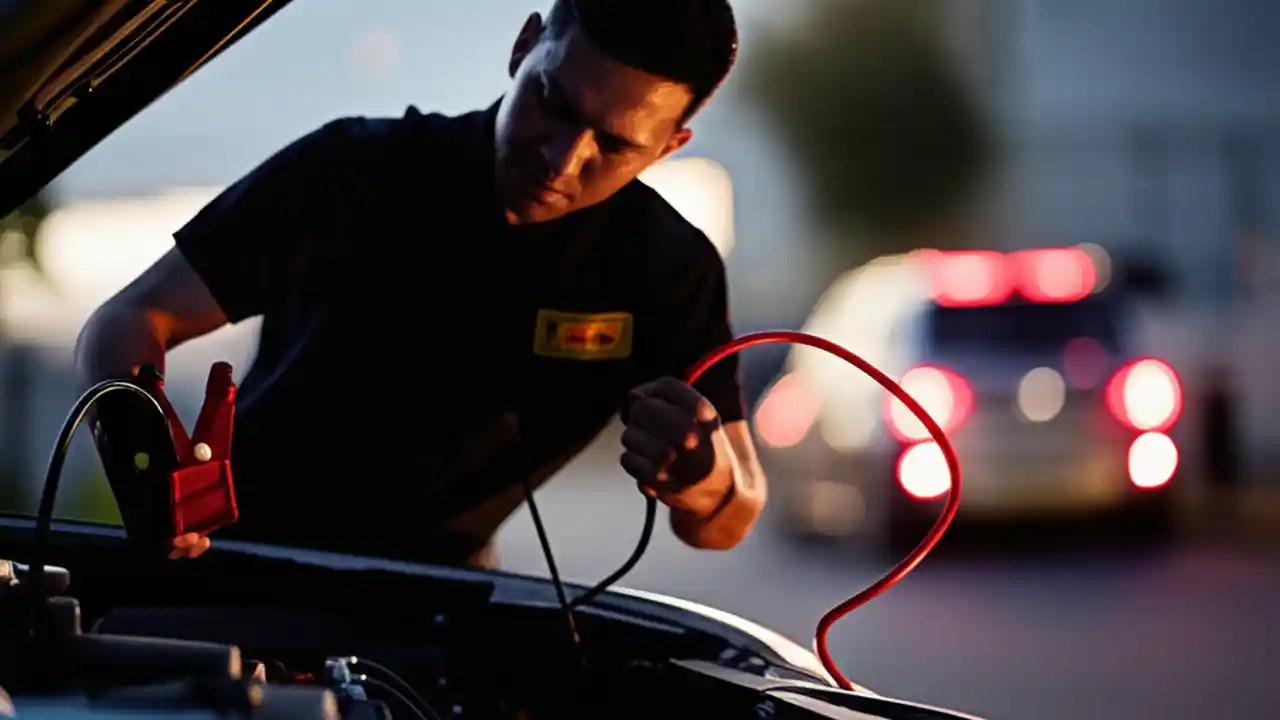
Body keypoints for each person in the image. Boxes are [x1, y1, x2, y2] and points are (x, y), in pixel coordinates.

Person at [73, 0, 768, 569]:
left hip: (442, 607)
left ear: (670, 145)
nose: (562, 159)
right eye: (553, 103)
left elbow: (732, 514)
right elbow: (132, 318)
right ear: (525, 45)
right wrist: (144, 466)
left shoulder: (669, 269)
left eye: (613, 145)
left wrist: (703, 482)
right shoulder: (352, 171)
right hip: (240, 565)